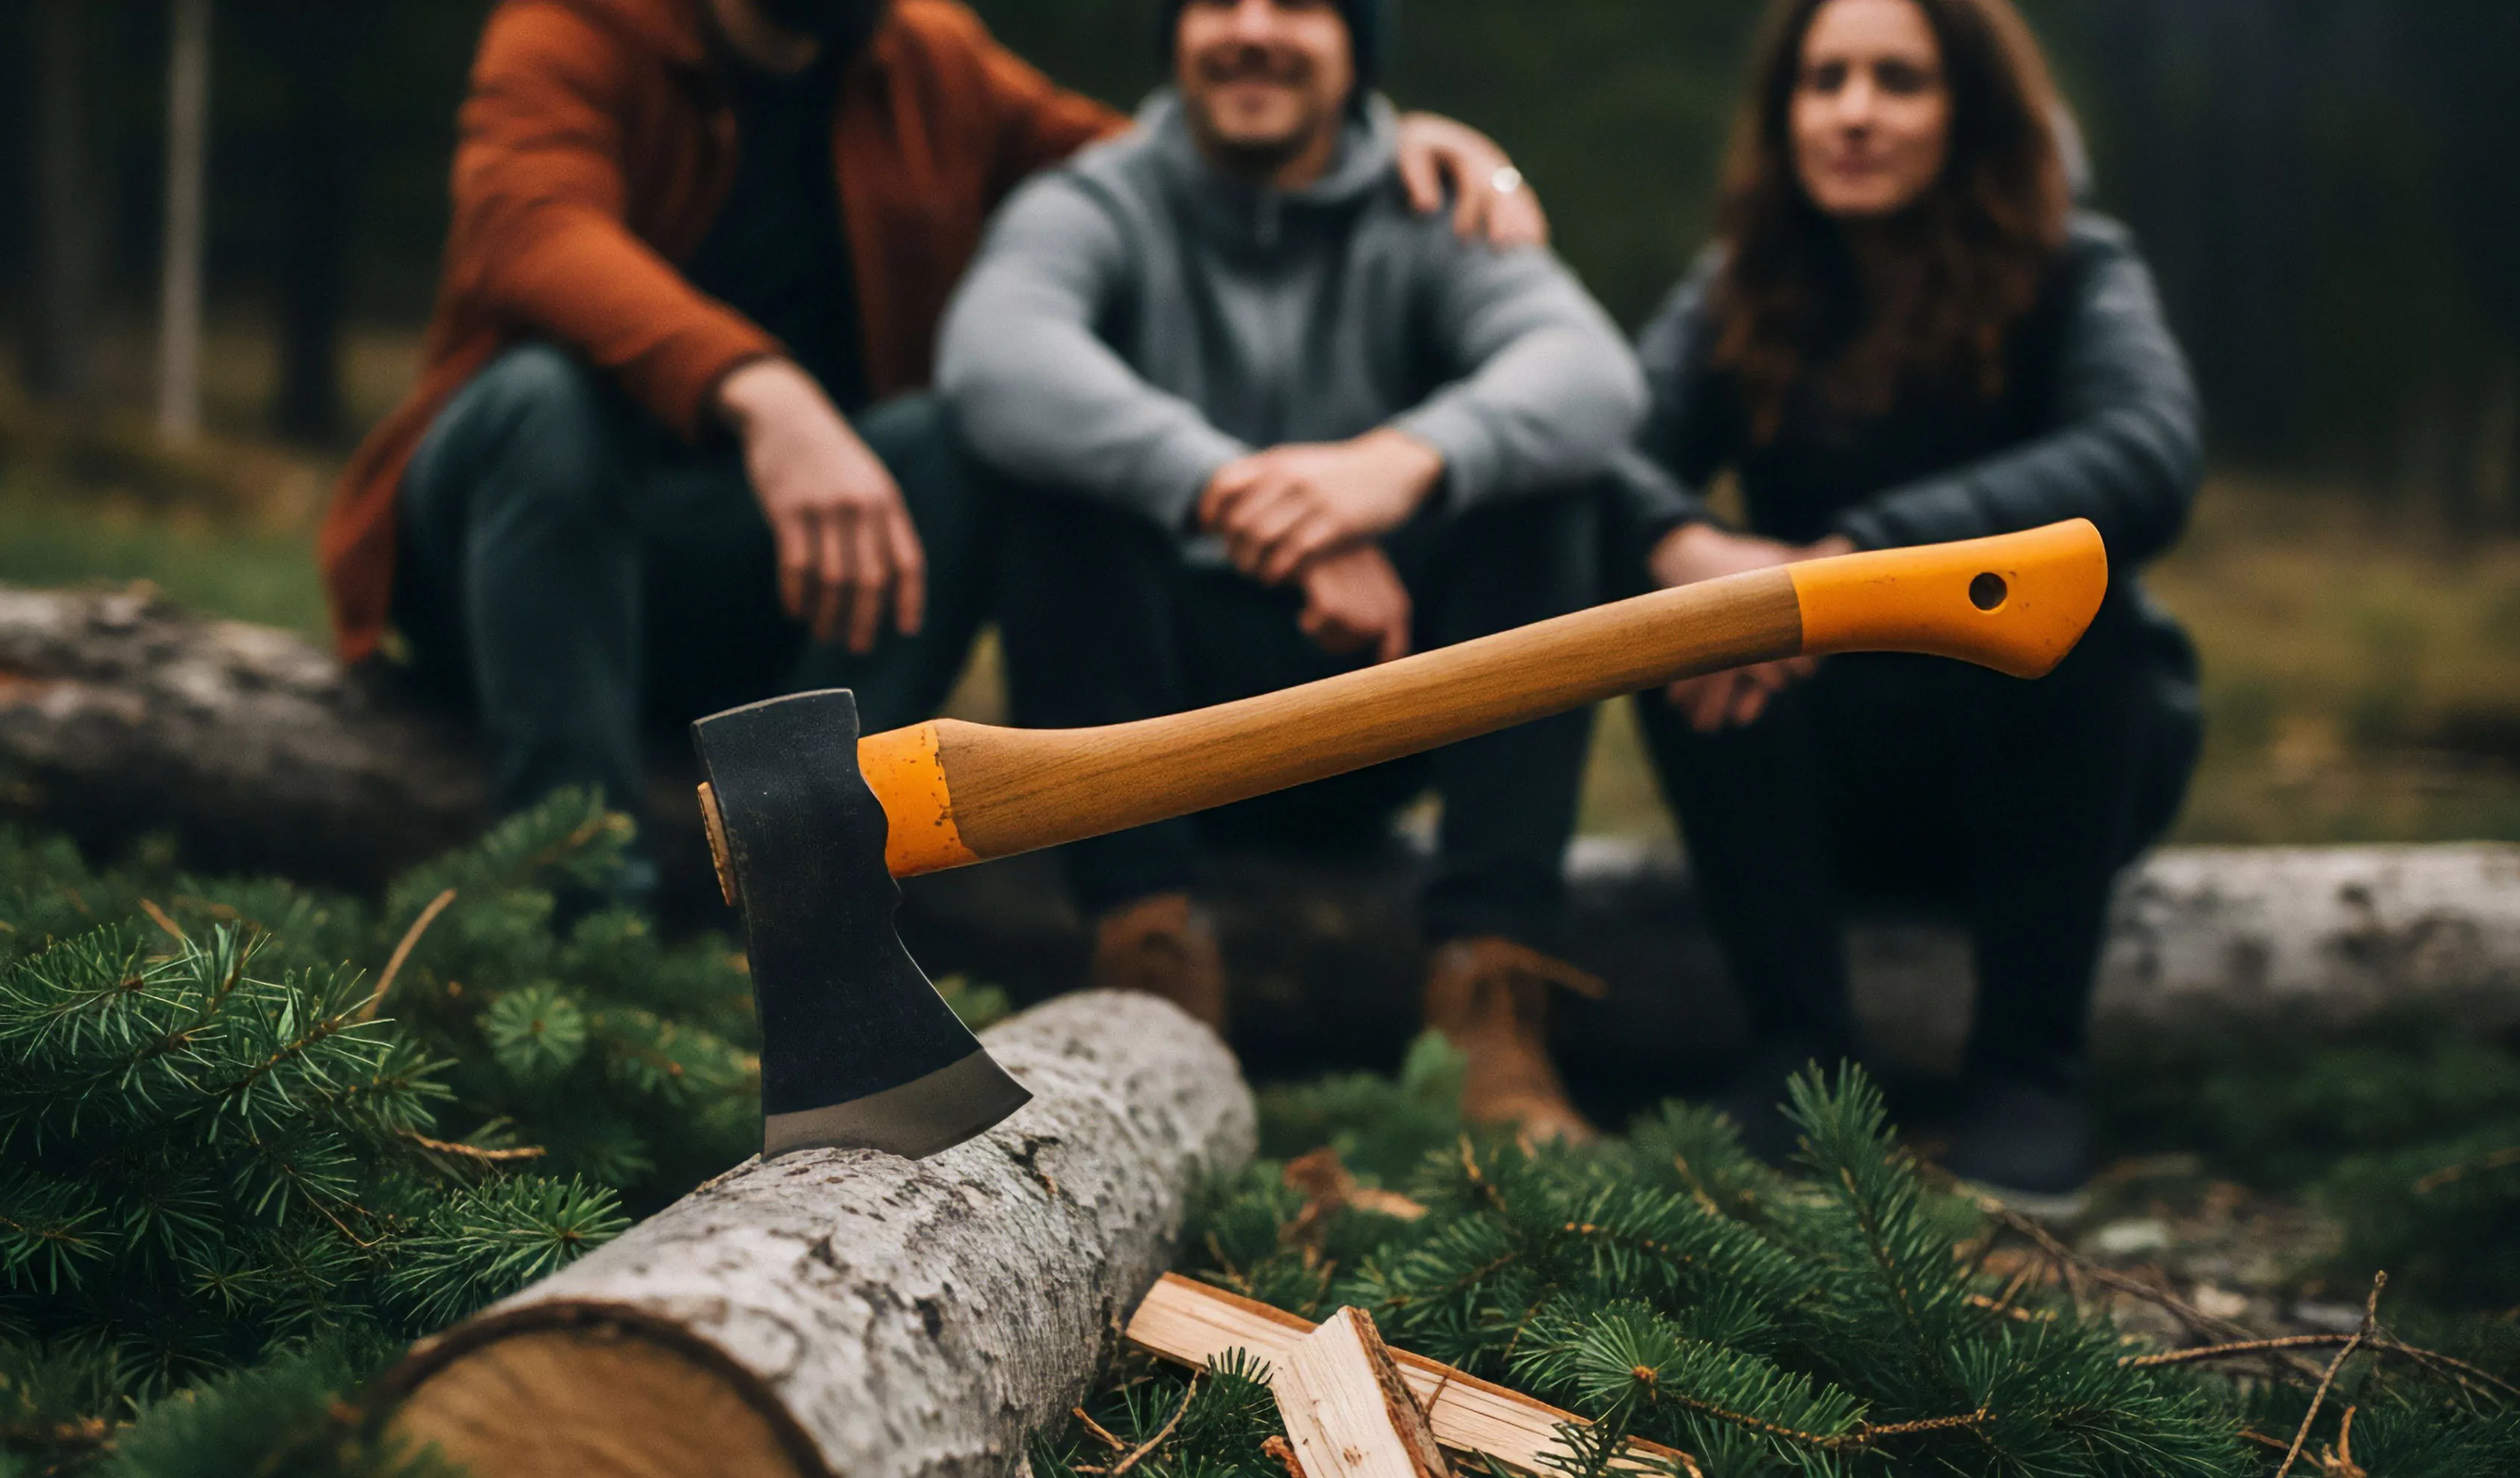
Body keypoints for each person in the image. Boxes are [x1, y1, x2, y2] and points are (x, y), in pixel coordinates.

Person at [315, 0, 1545, 900]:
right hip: (518, 561)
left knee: (960, 440)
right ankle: (576, 907)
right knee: (545, 401)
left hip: (763, 575)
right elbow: (527, 228)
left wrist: (1394, 141)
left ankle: (808, 886)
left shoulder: (926, 60)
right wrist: (761, 392)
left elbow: (1159, 167)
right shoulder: (576, 28)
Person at [940, 0, 1645, 1140]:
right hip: (1159, 724)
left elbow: (1589, 373)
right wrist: (1241, 495)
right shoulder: (1094, 197)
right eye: (1217, 3)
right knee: (1052, 489)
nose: (1251, 30)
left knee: (1546, 491)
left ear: (1357, 44)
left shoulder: (1437, 205)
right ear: (1171, 34)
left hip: (1383, 691)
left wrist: (1398, 464)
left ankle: (1491, 997)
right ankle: (1149, 965)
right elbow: (995, 356)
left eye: (1298, 5)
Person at [1612, 0, 2204, 1206]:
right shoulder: (1742, 285)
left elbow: (2147, 450)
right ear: (1784, 111)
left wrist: (1849, 569)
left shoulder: (2076, 267)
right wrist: (1683, 542)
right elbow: (1601, 444)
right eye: (1823, 80)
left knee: (2069, 601)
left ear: (1971, 108)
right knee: (1679, 622)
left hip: (2048, 776)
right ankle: (1800, 1054)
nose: (1853, 112)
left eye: (1899, 79)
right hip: (1828, 780)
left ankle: (2028, 1072)